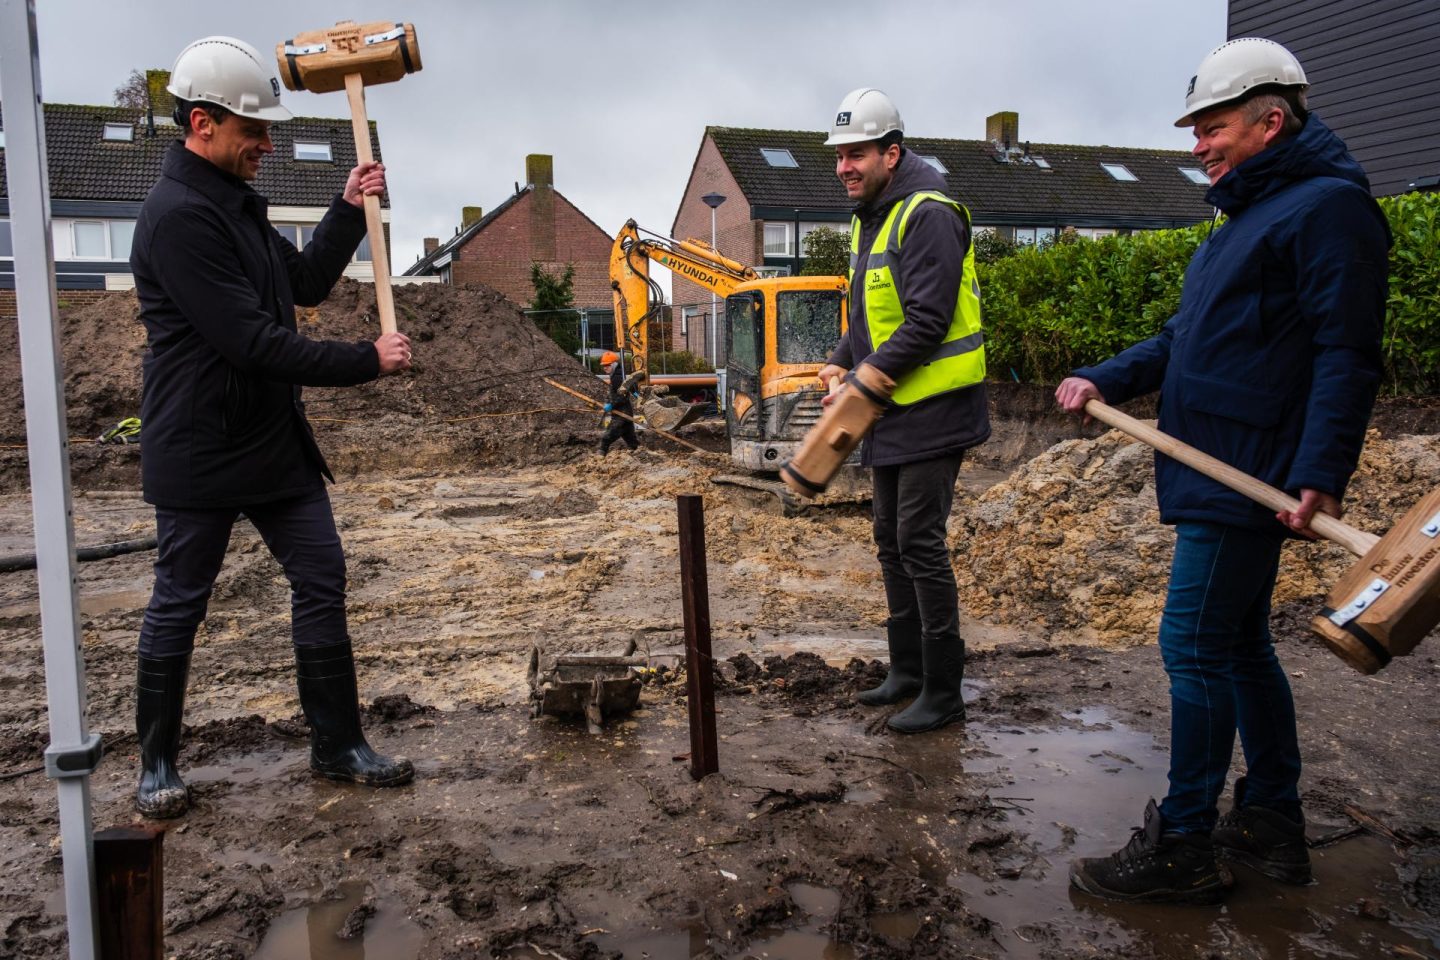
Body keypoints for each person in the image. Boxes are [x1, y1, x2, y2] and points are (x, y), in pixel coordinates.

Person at [1060, 38, 1390, 902]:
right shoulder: (1242, 222)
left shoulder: (1327, 210)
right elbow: (1183, 342)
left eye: (1212, 128)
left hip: (1254, 471)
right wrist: (1105, 375)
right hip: (1212, 462)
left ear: (1270, 120)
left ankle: (1184, 844)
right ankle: (1272, 822)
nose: (1198, 145)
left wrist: (1320, 468)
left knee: (1193, 644)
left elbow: (1345, 351)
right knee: (1239, 647)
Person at [130, 36, 416, 819]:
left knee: (321, 576)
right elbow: (253, 343)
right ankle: (156, 762)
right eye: (254, 132)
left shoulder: (232, 205)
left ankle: (337, 745)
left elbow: (300, 282)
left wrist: (347, 207)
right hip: (199, 448)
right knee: (181, 599)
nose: (268, 145)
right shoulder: (177, 219)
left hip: (270, 442)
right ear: (201, 125)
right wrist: (368, 358)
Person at [816, 88, 990, 734]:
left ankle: (943, 691)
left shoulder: (928, 212)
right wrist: (842, 357)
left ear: (892, 151)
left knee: (919, 542)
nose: (844, 167)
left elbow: (926, 321)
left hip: (936, 408)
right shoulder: (875, 212)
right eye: (839, 156)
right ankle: (908, 672)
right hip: (892, 405)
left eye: (856, 154)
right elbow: (873, 311)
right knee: (889, 539)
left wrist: (860, 380)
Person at [599, 350, 640, 455]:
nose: (605, 368)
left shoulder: (617, 377)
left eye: (607, 365)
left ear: (614, 364)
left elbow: (622, 397)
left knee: (606, 439)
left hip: (621, 415)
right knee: (632, 443)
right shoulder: (618, 375)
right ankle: (641, 456)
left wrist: (611, 405)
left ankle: (599, 459)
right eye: (604, 365)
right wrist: (609, 401)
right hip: (626, 413)